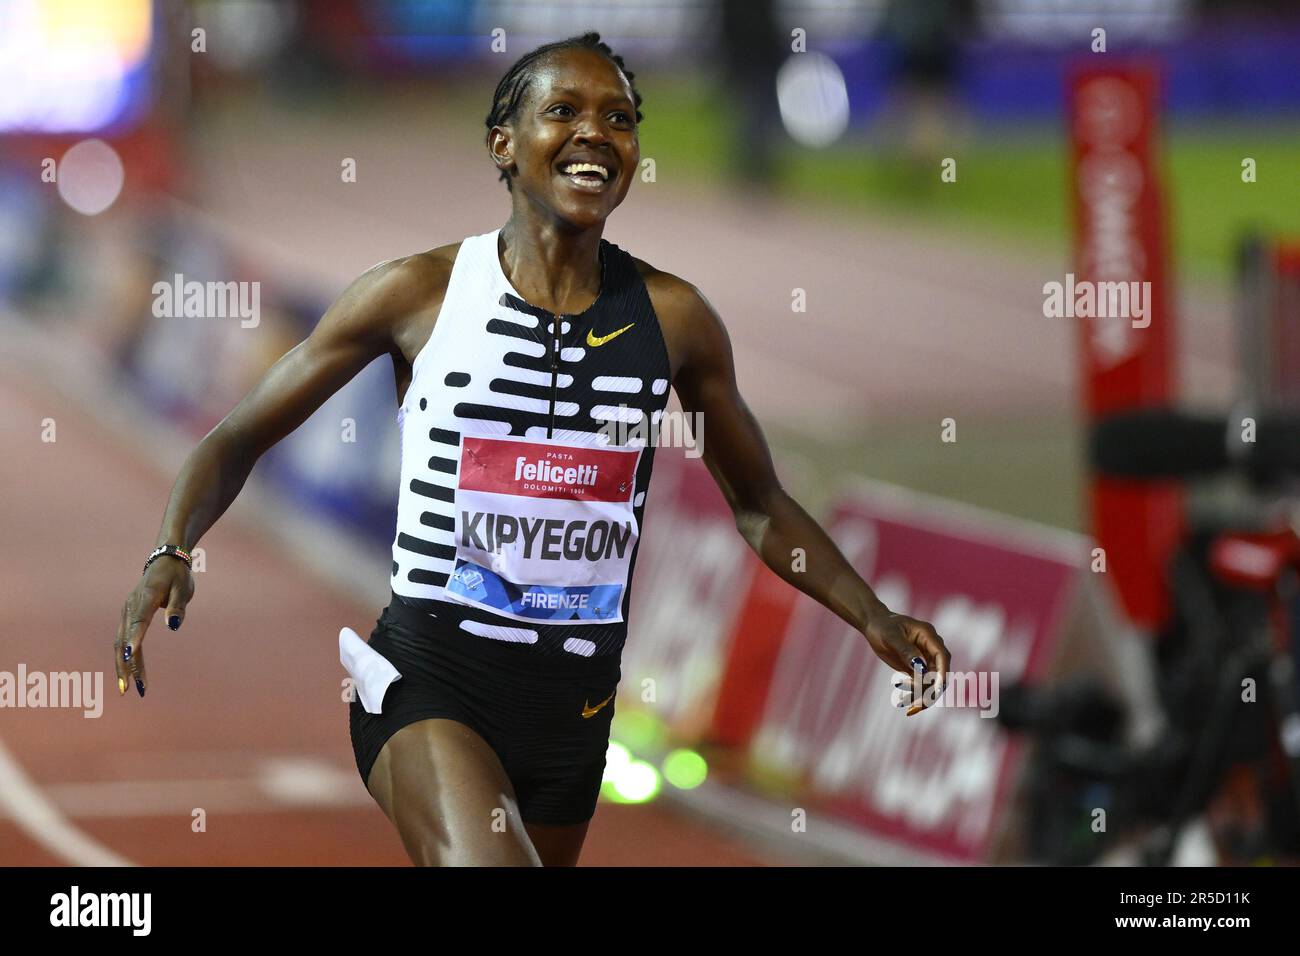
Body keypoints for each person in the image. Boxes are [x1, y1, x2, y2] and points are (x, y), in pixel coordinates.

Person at [113, 32, 950, 867]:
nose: (595, 133)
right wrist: (170, 546)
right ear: (502, 146)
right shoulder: (418, 294)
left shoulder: (677, 321)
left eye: (618, 118)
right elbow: (237, 435)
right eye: (564, 111)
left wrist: (871, 615)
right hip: (433, 683)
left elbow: (760, 505)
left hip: (575, 714)